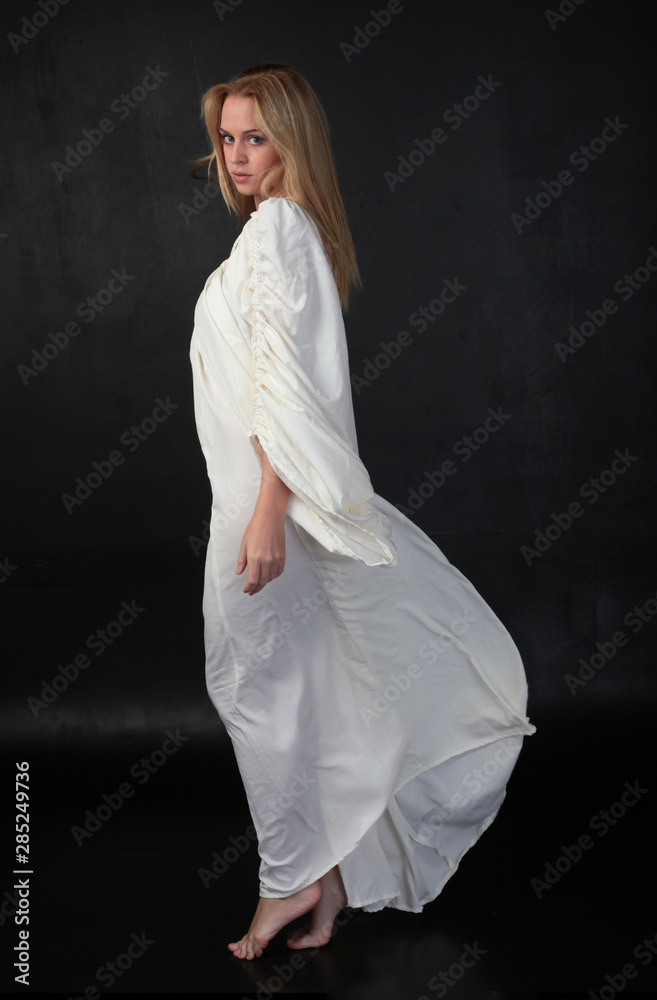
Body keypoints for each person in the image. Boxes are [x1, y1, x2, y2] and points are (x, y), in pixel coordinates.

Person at [189, 63, 537, 961]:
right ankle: (327, 876)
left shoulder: (276, 230)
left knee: (258, 689)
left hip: (264, 506)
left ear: (292, 142)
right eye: (225, 137)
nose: (235, 155)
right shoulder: (285, 230)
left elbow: (285, 392)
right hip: (262, 500)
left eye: (254, 137)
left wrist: (267, 510)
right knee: (297, 688)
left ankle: (292, 875)